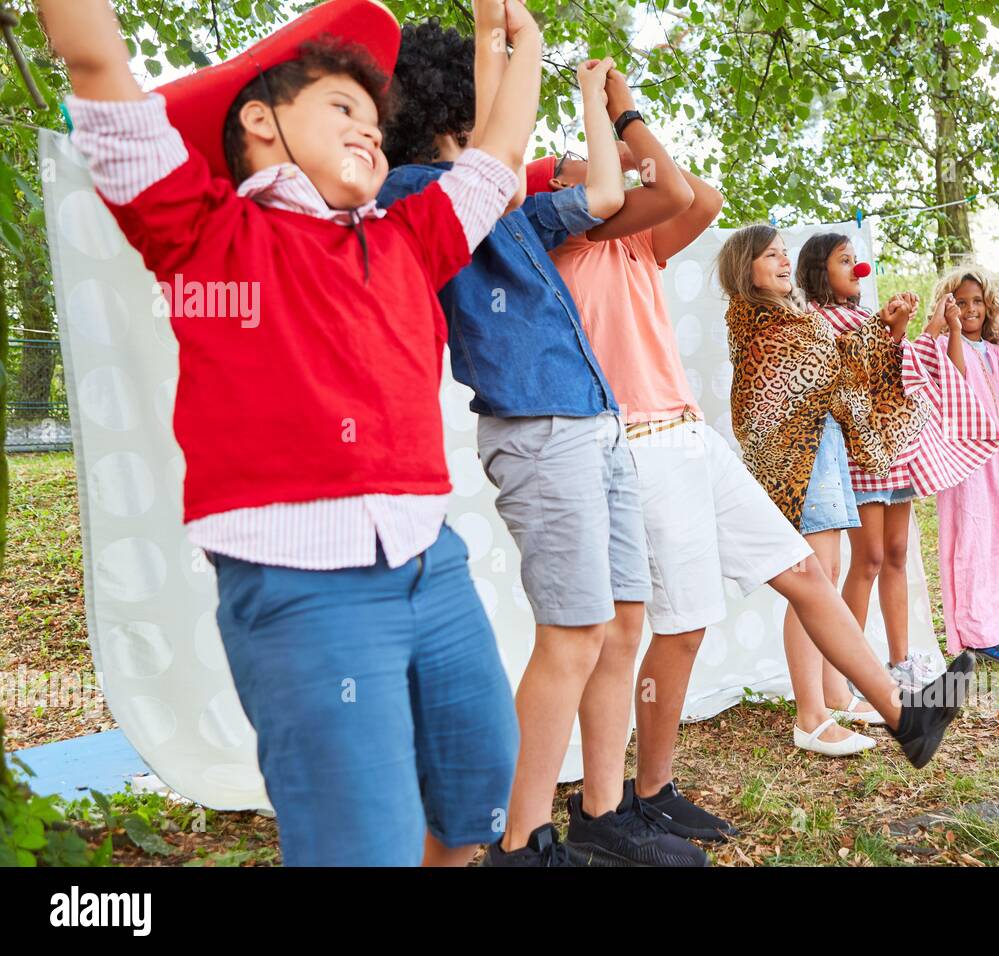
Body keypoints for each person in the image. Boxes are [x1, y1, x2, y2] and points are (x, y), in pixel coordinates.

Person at [41, 0, 542, 865]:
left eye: (378, 124)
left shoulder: (409, 237)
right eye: (343, 108)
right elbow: (96, 66)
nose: (372, 134)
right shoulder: (202, 228)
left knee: (477, 795)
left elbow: (497, 158)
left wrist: (516, 44)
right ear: (261, 123)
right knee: (364, 844)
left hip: (434, 564)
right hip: (306, 592)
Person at [378, 25, 703, 867]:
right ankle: (519, 844)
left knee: (623, 617)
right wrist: (505, 36)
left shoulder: (505, 203)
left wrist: (596, 101)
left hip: (595, 422)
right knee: (574, 630)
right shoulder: (419, 194)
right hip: (538, 431)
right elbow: (502, 140)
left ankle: (602, 812)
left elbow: (601, 197)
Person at [710, 222, 977, 771]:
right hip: (796, 458)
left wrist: (886, 330)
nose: (782, 262)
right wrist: (886, 331)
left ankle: (834, 696)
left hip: (823, 450)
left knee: (823, 580)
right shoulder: (757, 320)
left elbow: (841, 364)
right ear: (745, 268)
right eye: (769, 256)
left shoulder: (794, 317)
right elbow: (819, 372)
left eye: (785, 254)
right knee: (813, 580)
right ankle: (811, 715)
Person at [800, 233, 999, 692]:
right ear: (818, 270)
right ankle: (848, 670)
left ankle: (900, 663)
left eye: (856, 259)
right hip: (858, 455)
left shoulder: (861, 317)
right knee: (867, 558)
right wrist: (903, 328)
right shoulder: (815, 322)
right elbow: (857, 375)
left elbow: (896, 369)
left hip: (891, 453)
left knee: (894, 554)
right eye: (844, 261)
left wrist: (909, 325)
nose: (857, 268)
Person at [929, 265, 999, 664]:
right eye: (960, 303)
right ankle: (980, 631)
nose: (970, 308)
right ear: (948, 308)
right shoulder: (945, 347)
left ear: (988, 305)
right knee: (975, 539)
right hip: (967, 462)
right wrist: (954, 331)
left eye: (977, 301)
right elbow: (956, 376)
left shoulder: (997, 354)